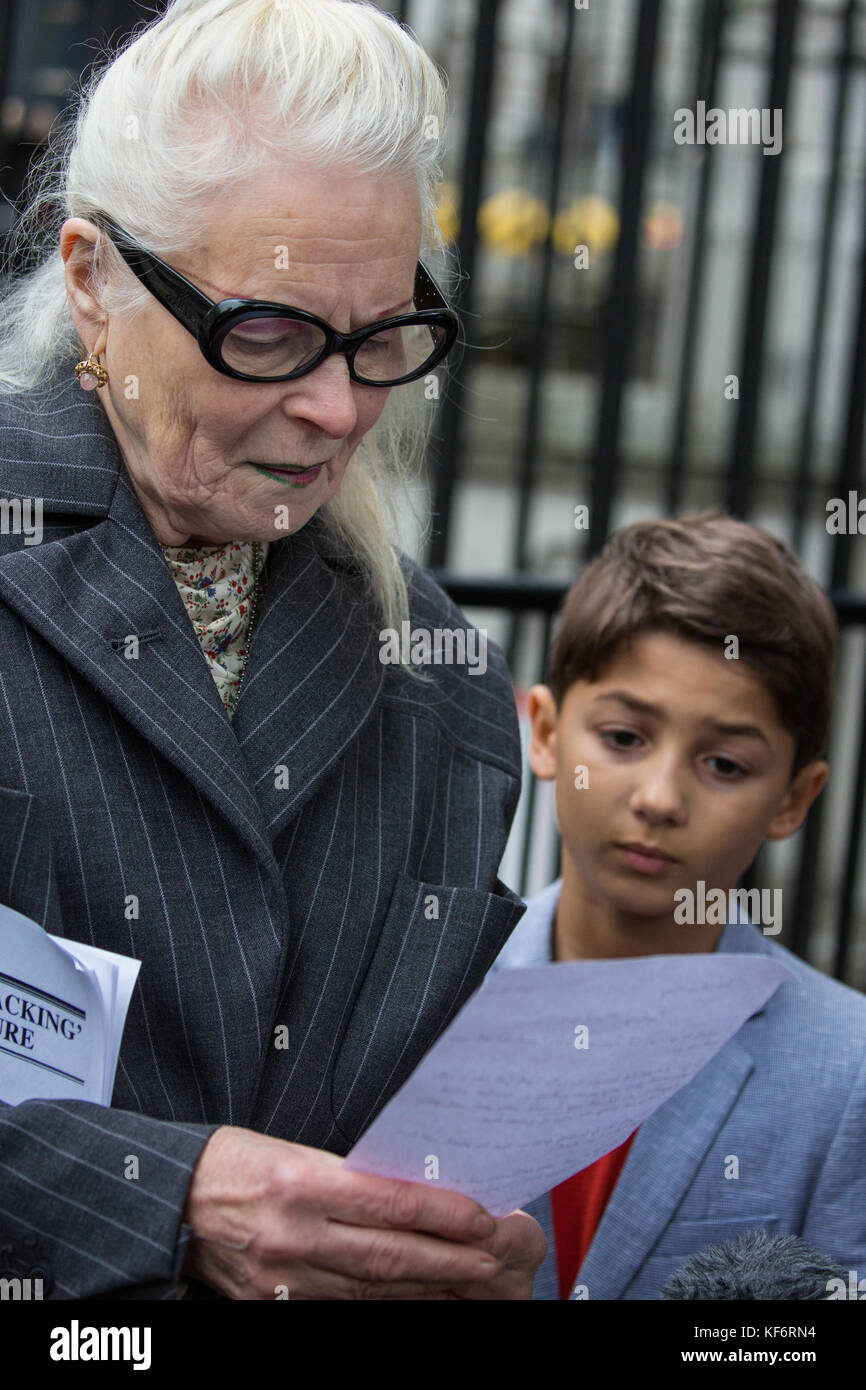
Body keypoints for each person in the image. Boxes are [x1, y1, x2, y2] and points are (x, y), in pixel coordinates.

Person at [0, 0, 546, 1300]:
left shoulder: (445, 689)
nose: (341, 405)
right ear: (93, 279)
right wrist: (164, 1195)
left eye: (382, 334)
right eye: (269, 333)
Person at [488, 512, 866, 1300]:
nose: (660, 800)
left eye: (724, 764)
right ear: (548, 732)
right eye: (624, 738)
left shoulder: (847, 1074)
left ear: (794, 798)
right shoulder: (426, 996)